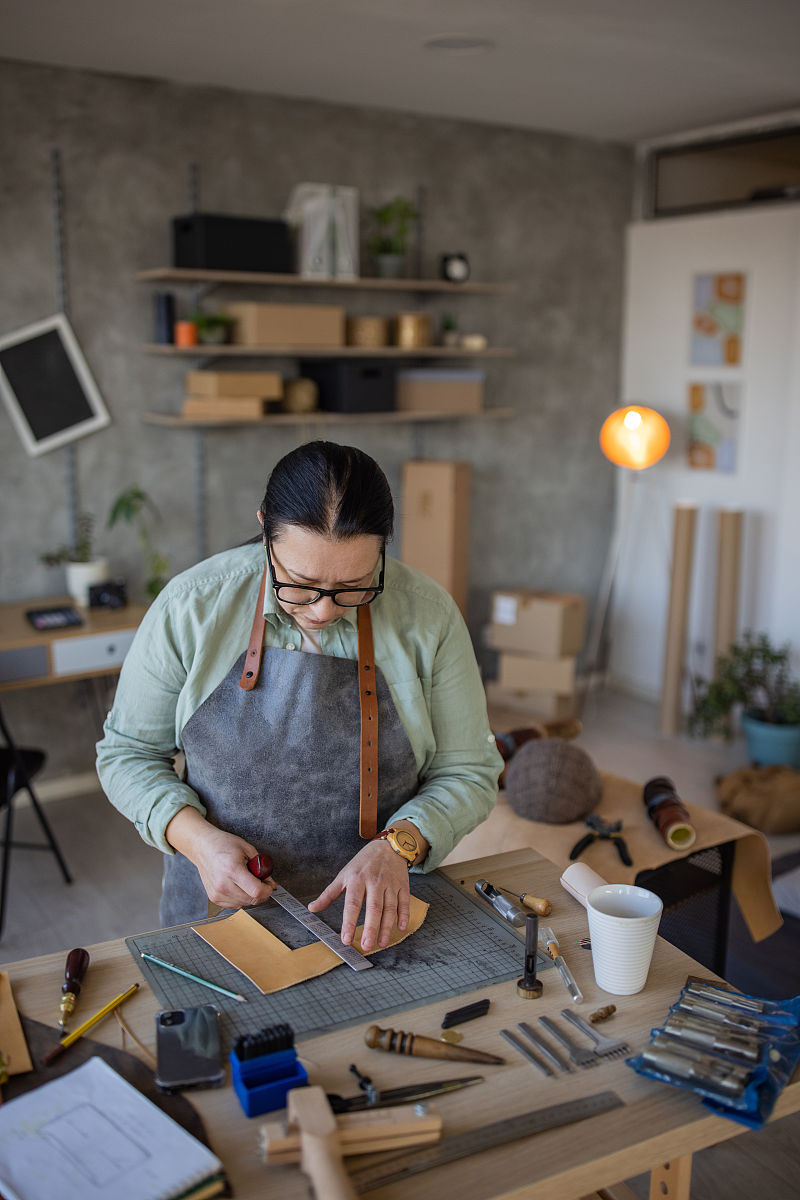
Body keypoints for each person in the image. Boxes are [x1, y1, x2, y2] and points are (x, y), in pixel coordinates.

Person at [97, 441, 502, 953]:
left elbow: (470, 770)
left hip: (384, 907)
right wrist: (197, 841)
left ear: (384, 548)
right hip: (217, 903)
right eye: (300, 584)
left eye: (353, 586)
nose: (321, 611)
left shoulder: (429, 616)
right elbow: (127, 754)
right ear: (265, 528)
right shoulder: (191, 606)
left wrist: (400, 846)